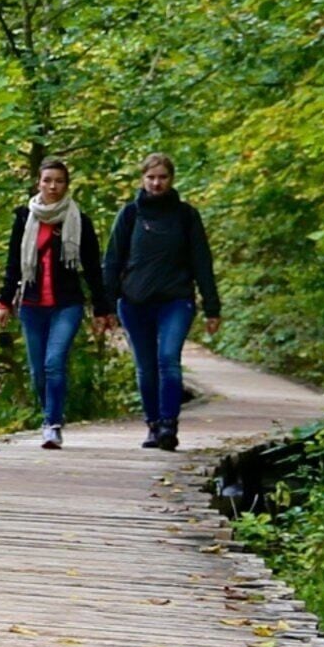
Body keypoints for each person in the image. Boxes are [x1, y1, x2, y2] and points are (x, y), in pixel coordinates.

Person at [104, 152, 222, 449]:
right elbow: (113, 261)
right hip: (134, 302)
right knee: (145, 366)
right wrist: (105, 306)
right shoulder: (130, 215)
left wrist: (212, 307)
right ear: (142, 179)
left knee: (168, 358)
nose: (156, 183)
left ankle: (169, 424)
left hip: (175, 301)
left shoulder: (186, 216)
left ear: (172, 179)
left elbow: (202, 262)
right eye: (151, 177)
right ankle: (153, 425)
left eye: (162, 177)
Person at [0, 157, 105, 451]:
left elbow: (93, 268)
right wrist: (4, 302)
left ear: (67, 185)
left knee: (54, 363)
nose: (53, 186)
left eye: (59, 181)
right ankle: (50, 414)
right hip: (32, 305)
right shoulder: (24, 218)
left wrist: (102, 308)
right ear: (38, 183)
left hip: (67, 304)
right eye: (47, 180)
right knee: (37, 372)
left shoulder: (79, 221)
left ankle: (52, 425)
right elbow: (14, 264)